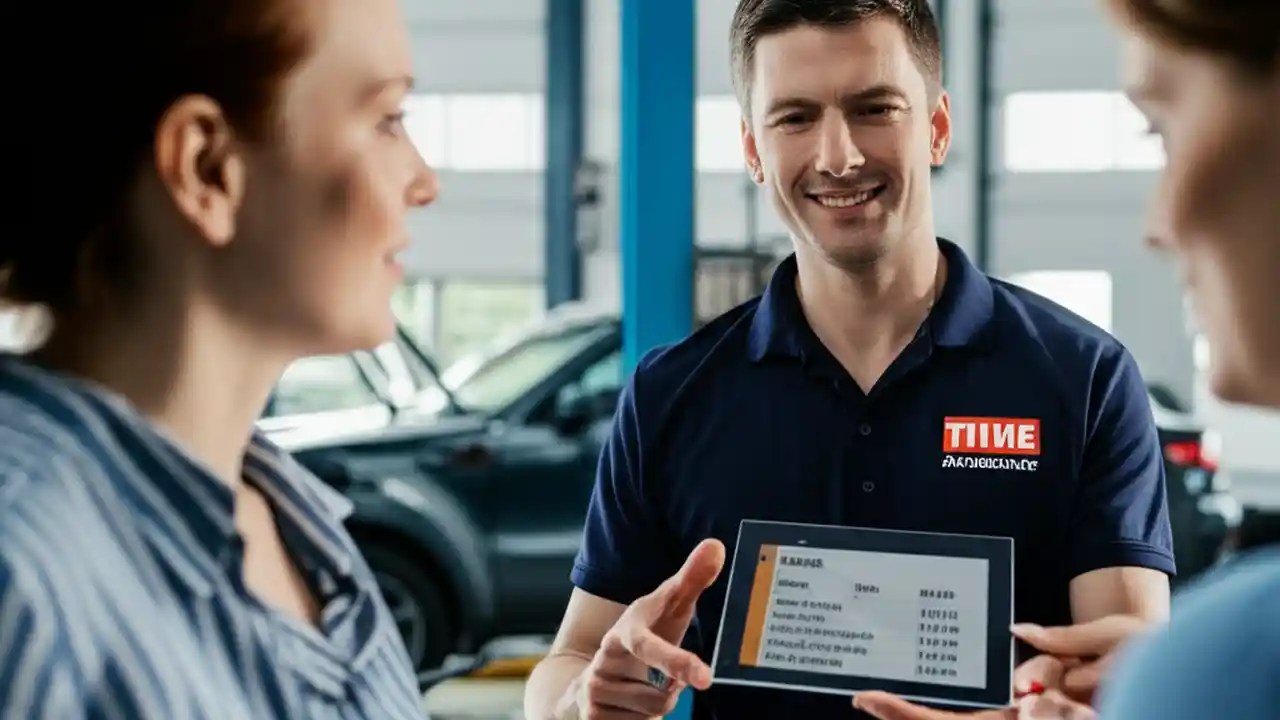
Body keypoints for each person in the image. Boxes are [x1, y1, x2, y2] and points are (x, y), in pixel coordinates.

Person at [524, 1, 1177, 718]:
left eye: (874, 109)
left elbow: (1130, 667)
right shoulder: (670, 395)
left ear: (936, 125)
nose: (839, 156)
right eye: (795, 118)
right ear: (752, 150)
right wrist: (581, 700)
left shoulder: (1082, 380)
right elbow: (572, 657)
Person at [0, 0, 437, 717]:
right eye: (388, 120)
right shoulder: (25, 576)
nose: (425, 182)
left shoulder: (301, 530)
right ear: (207, 168)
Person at [853, 0, 1280, 718]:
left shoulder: (1230, 669)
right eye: (794, 118)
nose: (1160, 221)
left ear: (936, 127)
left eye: (1165, 130)